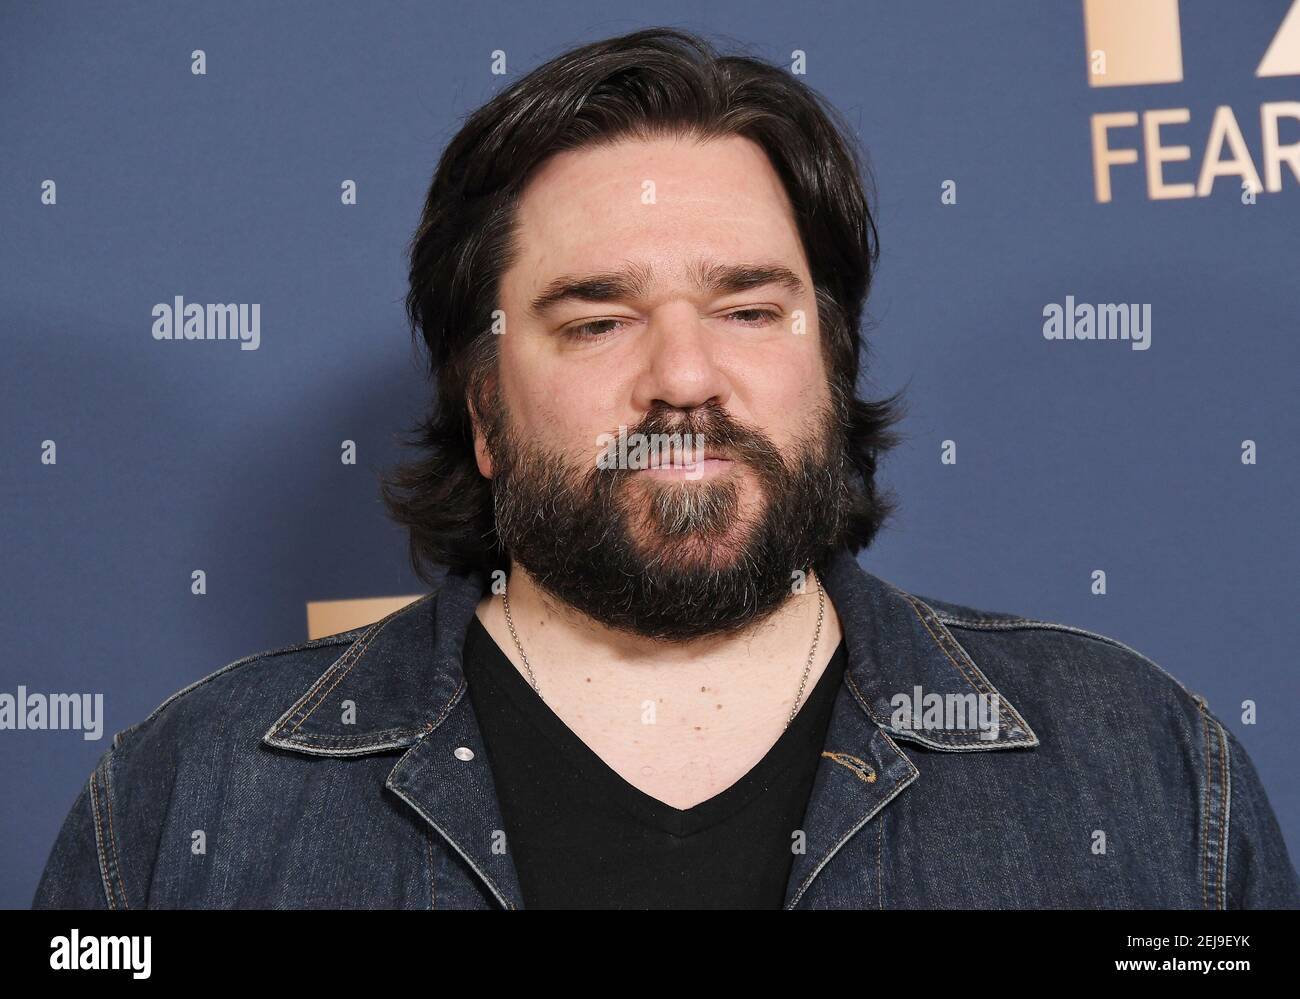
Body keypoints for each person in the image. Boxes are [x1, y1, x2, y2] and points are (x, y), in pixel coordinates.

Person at [33, 27, 1299, 909]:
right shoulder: (182, 803)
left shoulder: (1141, 771)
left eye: (749, 310)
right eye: (595, 321)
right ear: (482, 406)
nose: (683, 376)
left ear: (831, 360)